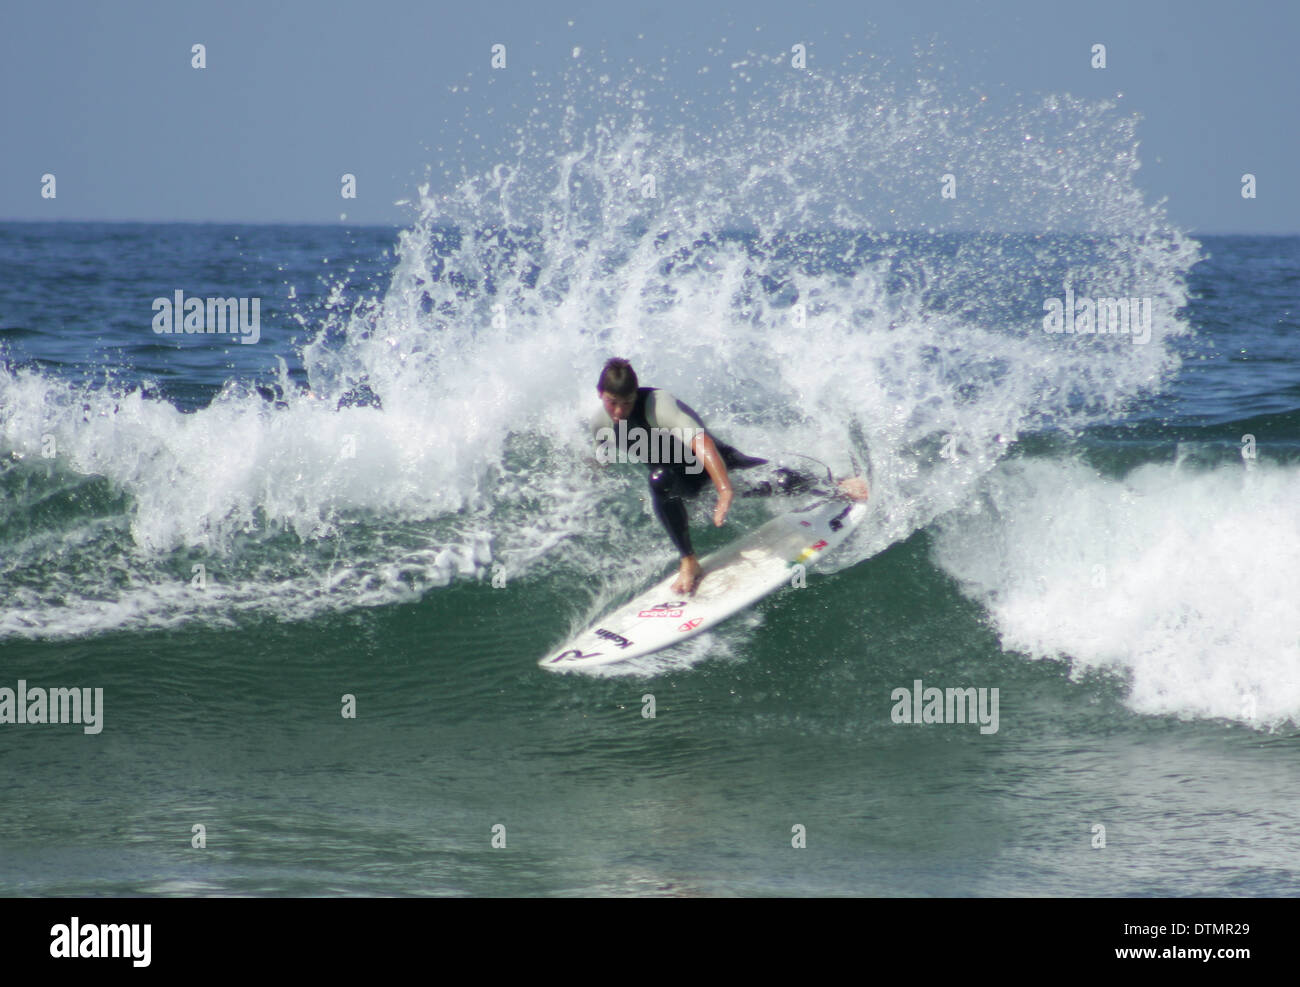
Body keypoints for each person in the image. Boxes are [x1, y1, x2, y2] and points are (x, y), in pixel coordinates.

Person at [590, 357, 867, 595]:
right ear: (600, 393)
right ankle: (689, 561)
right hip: (678, 482)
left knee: (779, 481)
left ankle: (837, 485)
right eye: (612, 402)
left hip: (715, 465)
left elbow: (701, 443)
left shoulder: (657, 405)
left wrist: (724, 489)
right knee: (659, 480)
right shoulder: (601, 422)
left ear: (635, 394)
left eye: (626, 403)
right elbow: (601, 456)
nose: (618, 412)